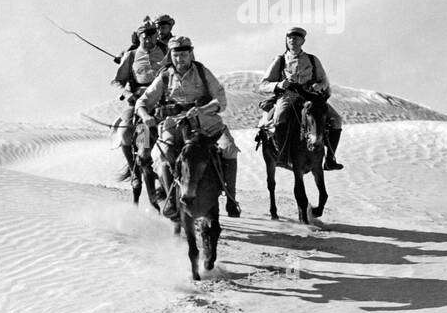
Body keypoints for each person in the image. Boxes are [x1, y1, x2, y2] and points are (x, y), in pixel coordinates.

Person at [135, 35, 242, 217]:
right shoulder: (165, 75)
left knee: (229, 148)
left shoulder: (202, 72)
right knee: (159, 155)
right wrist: (145, 115)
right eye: (176, 55)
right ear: (171, 55)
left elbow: (221, 100)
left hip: (207, 121)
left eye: (184, 54)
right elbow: (143, 101)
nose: (180, 59)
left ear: (191, 54)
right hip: (175, 123)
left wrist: (202, 109)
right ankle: (171, 201)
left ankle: (231, 198)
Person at [259, 27, 344, 170]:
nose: (293, 40)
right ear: (286, 40)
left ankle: (330, 159)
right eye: (290, 38)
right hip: (288, 96)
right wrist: (280, 84)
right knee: (279, 119)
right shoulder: (280, 60)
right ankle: (283, 155)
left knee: (336, 120)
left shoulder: (312, 59)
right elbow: (263, 85)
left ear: (303, 41)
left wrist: (319, 86)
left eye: (296, 38)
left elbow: (324, 81)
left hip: (311, 97)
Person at [112, 20, 167, 176]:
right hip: (139, 103)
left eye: (152, 36)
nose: (148, 40)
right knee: (125, 133)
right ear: (139, 37)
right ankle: (135, 170)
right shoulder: (131, 55)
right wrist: (129, 94)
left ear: (157, 35)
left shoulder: (167, 52)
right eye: (145, 37)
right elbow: (119, 82)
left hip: (164, 101)